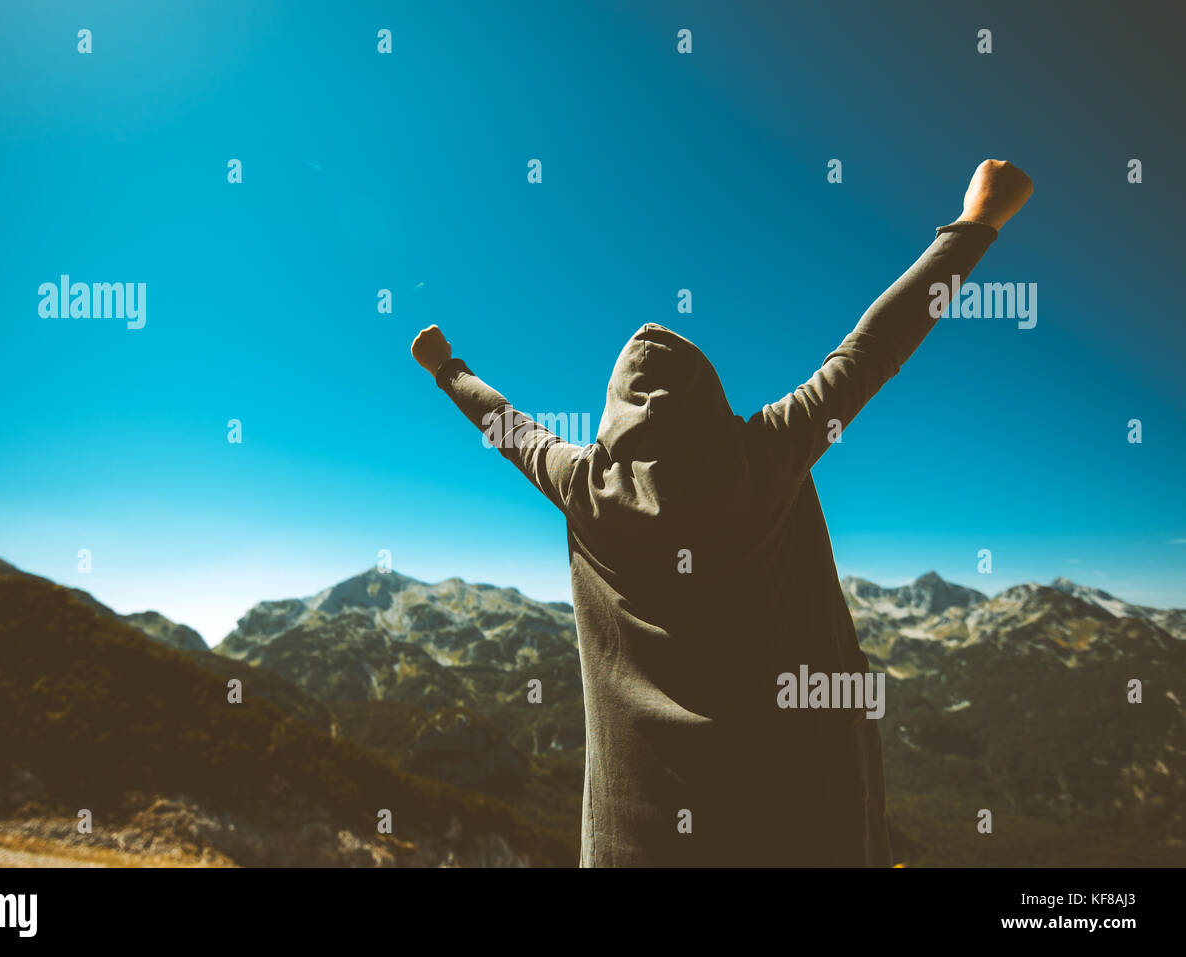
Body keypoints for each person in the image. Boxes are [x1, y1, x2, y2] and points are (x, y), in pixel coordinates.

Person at [412, 160, 1033, 867]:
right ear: (710, 396)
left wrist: (445, 368)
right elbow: (872, 348)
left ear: (612, 415)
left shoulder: (585, 484)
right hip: (781, 832)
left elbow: (509, 429)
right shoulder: (766, 454)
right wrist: (977, 222)